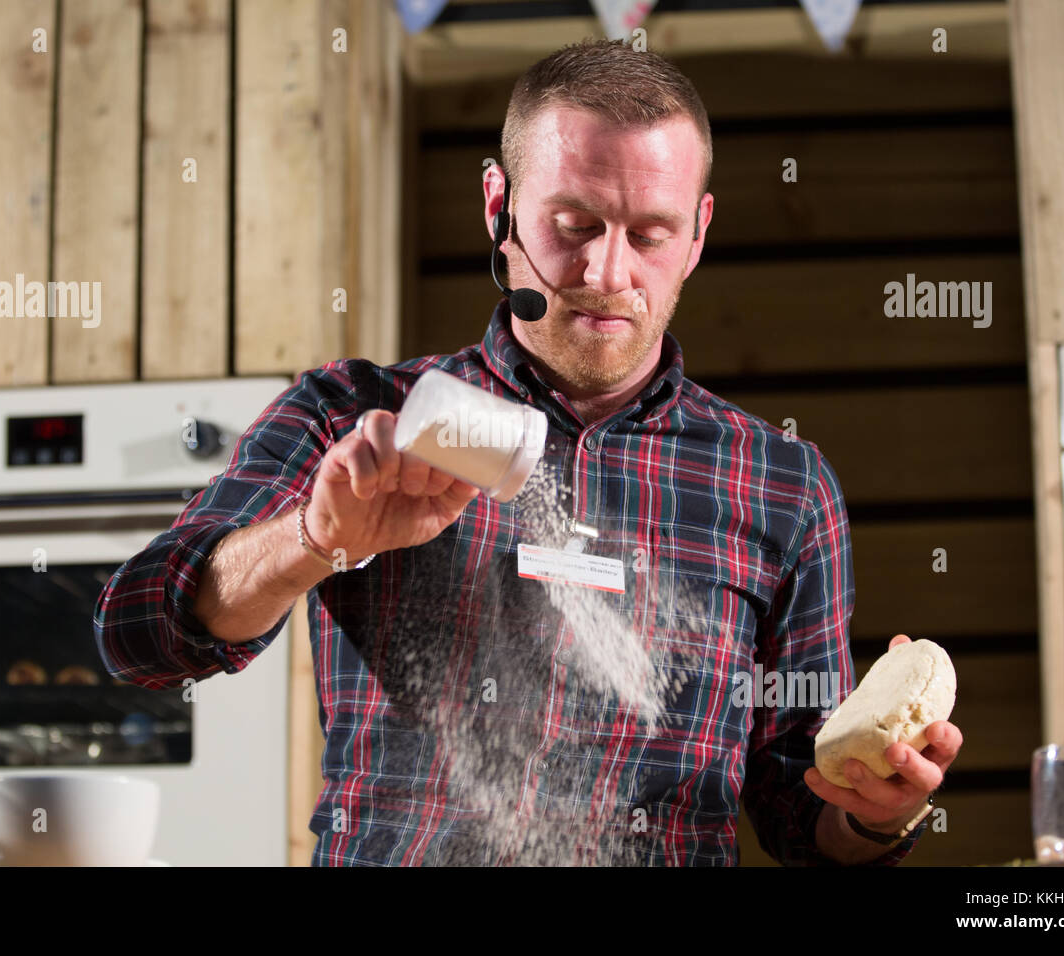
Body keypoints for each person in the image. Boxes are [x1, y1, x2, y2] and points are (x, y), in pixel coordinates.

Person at [94, 38, 963, 866]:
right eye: (573, 221)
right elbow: (137, 637)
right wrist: (314, 541)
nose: (606, 272)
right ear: (497, 206)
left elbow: (798, 813)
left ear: (697, 234)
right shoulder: (358, 414)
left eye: (650, 234)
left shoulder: (781, 484)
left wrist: (870, 814)